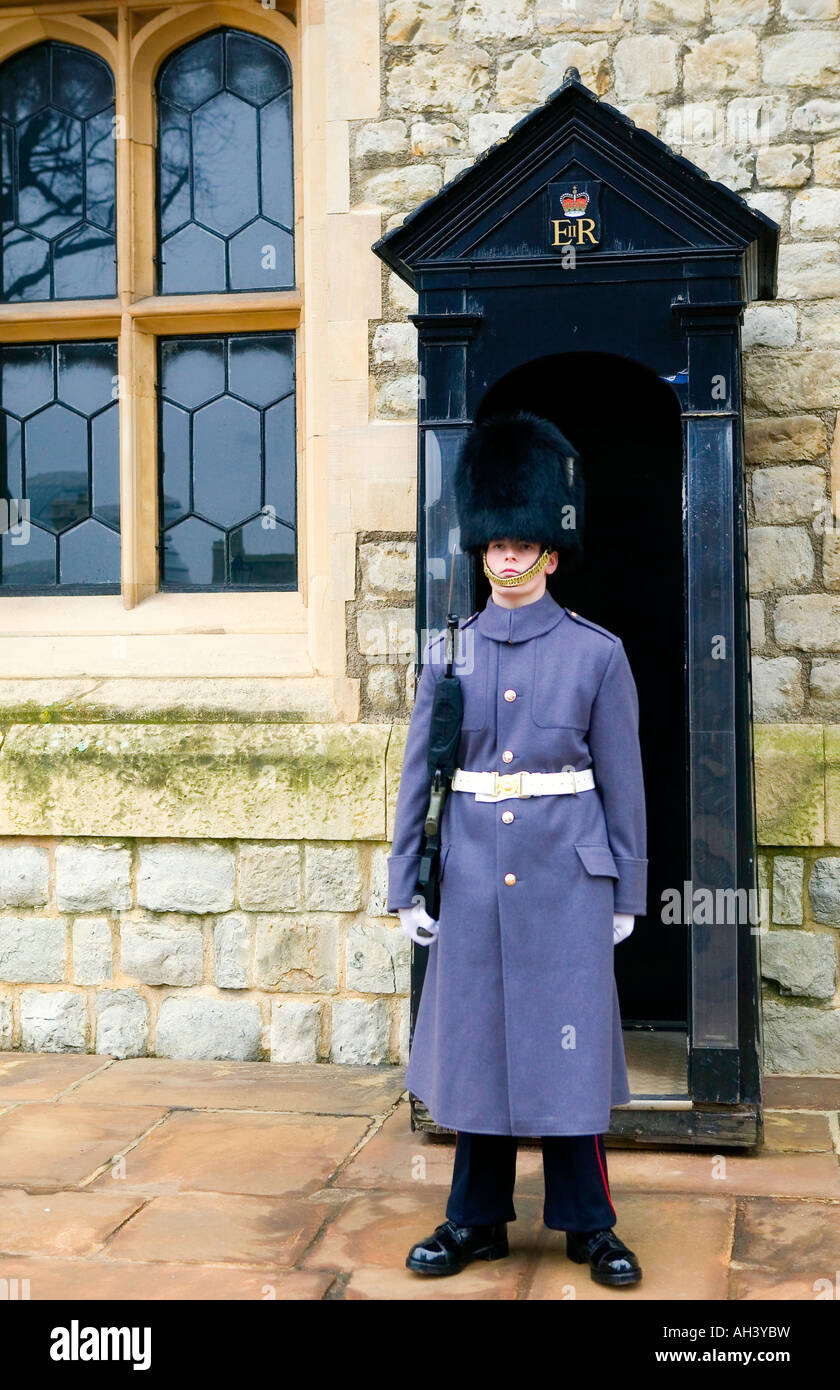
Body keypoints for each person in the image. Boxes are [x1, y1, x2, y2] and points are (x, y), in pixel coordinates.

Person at [386, 411, 648, 1287]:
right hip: (471, 875)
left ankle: (589, 1225)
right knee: (477, 1048)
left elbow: (623, 782)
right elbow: (419, 774)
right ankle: (475, 1220)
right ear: (483, 549)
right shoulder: (449, 652)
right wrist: (405, 883)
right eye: (496, 544)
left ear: (550, 555)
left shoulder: (596, 655)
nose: (506, 558)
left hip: (567, 877)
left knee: (568, 1054)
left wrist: (627, 891)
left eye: (522, 544)